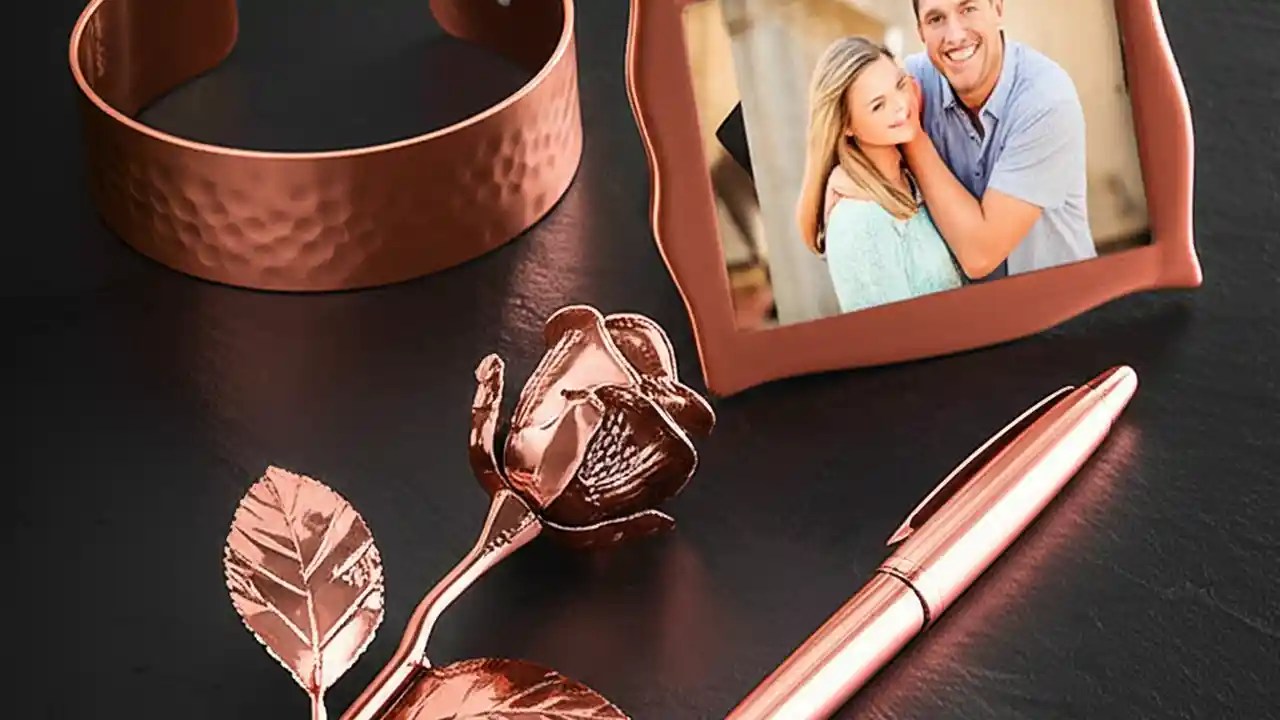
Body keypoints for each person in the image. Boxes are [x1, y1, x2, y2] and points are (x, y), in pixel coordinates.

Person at [901, 0, 1096, 280]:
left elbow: (980, 255)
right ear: (921, 31)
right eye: (935, 19)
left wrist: (912, 138)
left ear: (998, 8)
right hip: (980, 318)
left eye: (968, 9)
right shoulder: (910, 85)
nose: (954, 36)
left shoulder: (1046, 99)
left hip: (1066, 309)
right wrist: (840, 177)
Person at [795, 37, 964, 315]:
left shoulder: (913, 178)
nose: (901, 106)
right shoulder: (855, 222)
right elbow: (888, 339)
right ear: (846, 125)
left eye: (899, 85)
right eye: (878, 105)